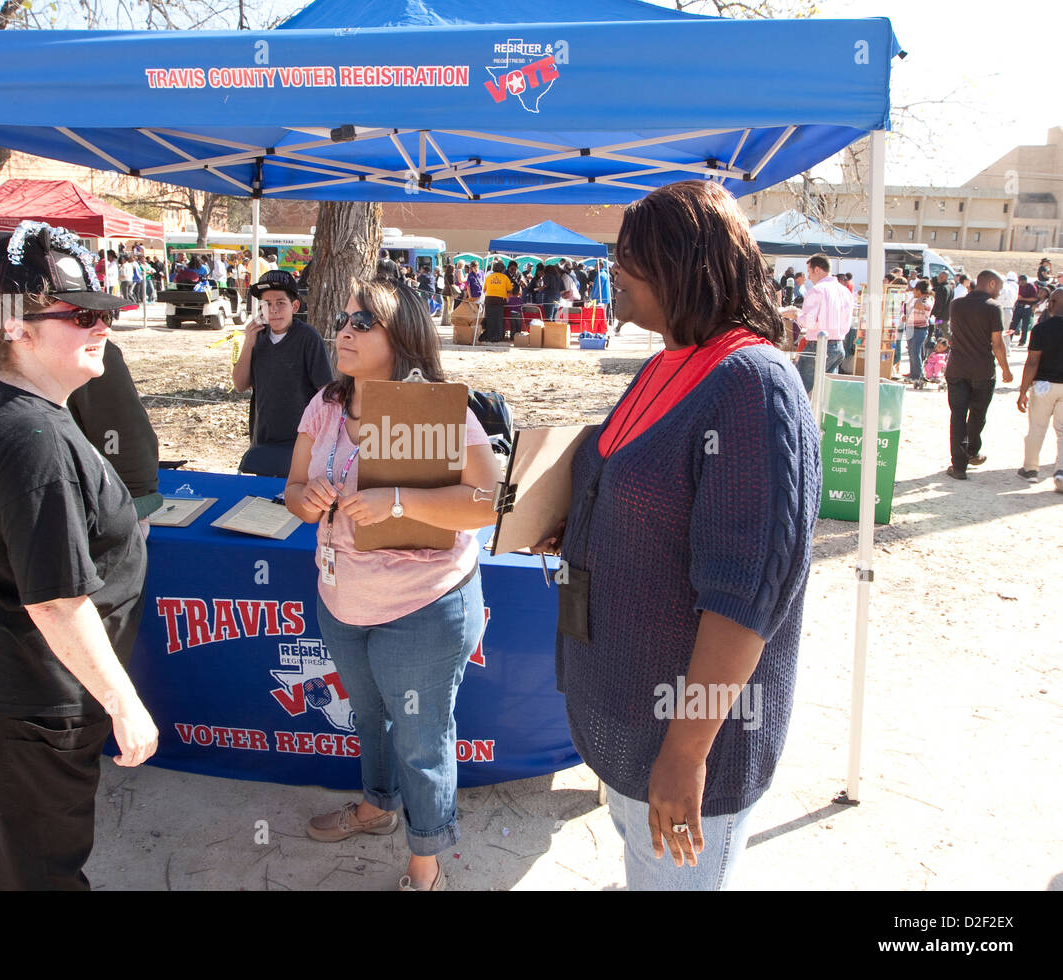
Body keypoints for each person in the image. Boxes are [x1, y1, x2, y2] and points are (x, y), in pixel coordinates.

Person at [552, 180, 818, 891]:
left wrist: (687, 751)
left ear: (685, 263)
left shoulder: (751, 385)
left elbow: (745, 592)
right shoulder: (667, 363)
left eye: (631, 258)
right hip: (634, 710)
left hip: (688, 738)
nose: (613, 271)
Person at [0, 228, 162, 886]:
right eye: (79, 315)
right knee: (39, 868)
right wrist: (121, 701)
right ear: (16, 325)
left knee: (6, 846)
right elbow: (54, 600)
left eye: (102, 310)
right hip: (28, 695)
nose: (101, 326)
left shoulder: (14, 403)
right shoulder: (31, 438)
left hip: (0, 681)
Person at [284, 276, 500, 891]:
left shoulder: (434, 409)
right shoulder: (325, 405)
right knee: (369, 718)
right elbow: (293, 490)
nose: (343, 332)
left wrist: (398, 501)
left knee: (421, 736)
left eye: (362, 324)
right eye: (343, 320)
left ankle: (425, 865)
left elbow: (486, 502)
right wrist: (309, 501)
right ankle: (377, 808)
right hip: (342, 598)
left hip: (424, 606)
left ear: (401, 337)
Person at [232, 269, 332, 478]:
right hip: (263, 437)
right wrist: (248, 342)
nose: (274, 309)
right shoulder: (257, 338)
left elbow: (325, 391)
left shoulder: (308, 338)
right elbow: (240, 384)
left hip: (301, 439)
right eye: (267, 304)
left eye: (280, 303)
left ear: (294, 306)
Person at [945, 270, 1013, 480]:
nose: (1000, 292)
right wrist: (1006, 369)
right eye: (999, 288)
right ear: (991, 283)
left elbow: (953, 333)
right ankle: (972, 451)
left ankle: (958, 466)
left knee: (957, 415)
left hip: (957, 368)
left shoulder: (957, 304)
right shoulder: (993, 308)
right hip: (982, 370)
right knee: (977, 415)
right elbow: (998, 344)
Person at [782, 253, 852, 393]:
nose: (808, 277)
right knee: (826, 394)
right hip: (838, 345)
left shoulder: (817, 290)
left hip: (818, 346)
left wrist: (796, 315)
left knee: (798, 390)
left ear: (817, 270)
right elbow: (847, 322)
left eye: (809, 272)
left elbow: (810, 321)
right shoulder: (844, 291)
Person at [1016, 288, 1063, 491]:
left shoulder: (1041, 329)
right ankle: (1061, 471)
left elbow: (1032, 362)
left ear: (1051, 303)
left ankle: (1031, 469)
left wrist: (1022, 391)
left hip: (1044, 385)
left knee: (1037, 427)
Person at [904, 279, 933, 381]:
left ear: (919, 291)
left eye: (915, 290)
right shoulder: (916, 299)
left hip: (920, 329)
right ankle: (913, 372)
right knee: (911, 352)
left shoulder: (926, 300)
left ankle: (918, 375)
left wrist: (920, 297)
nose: (913, 293)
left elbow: (919, 306)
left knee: (915, 352)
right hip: (911, 328)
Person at [481, 261, 511, 342]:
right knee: (499, 318)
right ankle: (498, 336)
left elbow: (484, 290)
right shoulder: (505, 277)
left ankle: (490, 335)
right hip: (500, 300)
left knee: (490, 318)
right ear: (502, 269)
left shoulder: (488, 277)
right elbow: (509, 290)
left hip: (489, 299)